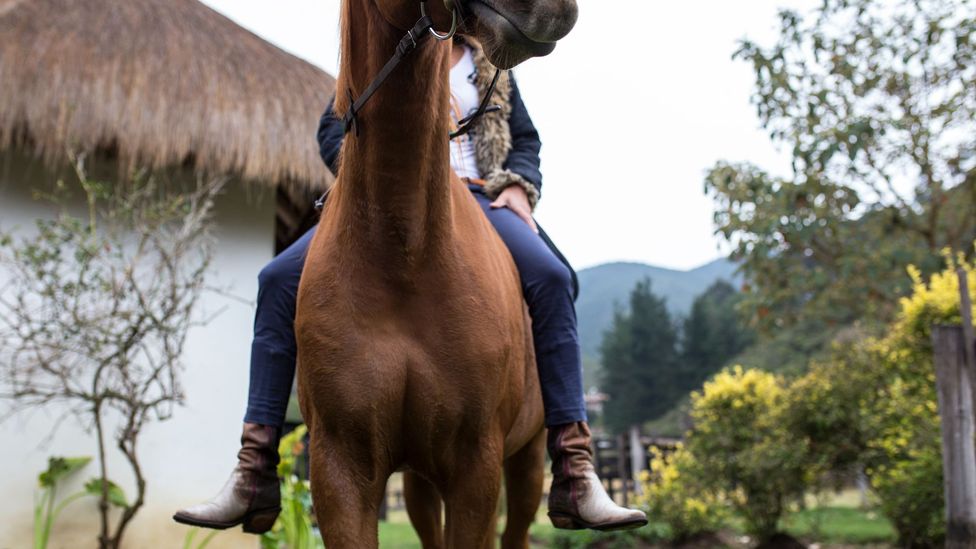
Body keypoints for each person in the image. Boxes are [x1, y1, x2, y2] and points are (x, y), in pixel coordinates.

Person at [174, 38, 647, 533]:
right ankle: (254, 467)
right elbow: (331, 129)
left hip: (479, 198)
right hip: (386, 204)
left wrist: (516, 183)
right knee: (276, 279)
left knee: (553, 277)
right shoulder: (383, 55)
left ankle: (574, 465)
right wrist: (369, 179)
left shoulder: (491, 66)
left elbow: (524, 141)